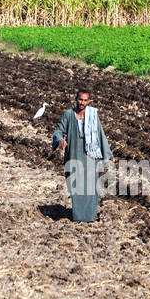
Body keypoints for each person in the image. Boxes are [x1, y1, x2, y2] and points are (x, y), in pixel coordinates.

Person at [49, 87, 113, 222]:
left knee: (90, 186)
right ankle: (78, 217)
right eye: (80, 99)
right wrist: (60, 140)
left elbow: (100, 133)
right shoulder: (68, 115)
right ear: (76, 99)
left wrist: (106, 155)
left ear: (89, 101)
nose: (82, 103)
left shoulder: (93, 115)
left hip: (90, 156)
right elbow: (58, 130)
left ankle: (89, 217)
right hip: (73, 155)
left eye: (85, 100)